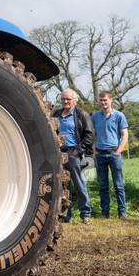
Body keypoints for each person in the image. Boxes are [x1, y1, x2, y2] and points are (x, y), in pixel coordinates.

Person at [53, 89, 94, 222]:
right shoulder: (57, 114)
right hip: (59, 153)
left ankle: (85, 214)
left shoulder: (81, 114)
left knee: (79, 183)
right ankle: (66, 215)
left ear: (74, 101)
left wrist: (78, 151)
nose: (65, 101)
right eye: (63, 99)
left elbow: (90, 135)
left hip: (74, 153)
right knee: (63, 185)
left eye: (68, 99)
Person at [91, 90, 129, 218]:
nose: (103, 103)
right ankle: (105, 212)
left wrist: (118, 151)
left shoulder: (119, 116)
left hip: (114, 153)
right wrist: (94, 150)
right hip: (100, 154)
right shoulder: (95, 116)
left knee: (118, 185)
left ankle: (122, 212)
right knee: (103, 186)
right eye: (101, 100)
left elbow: (124, 135)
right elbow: (93, 135)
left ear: (111, 100)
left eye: (105, 100)